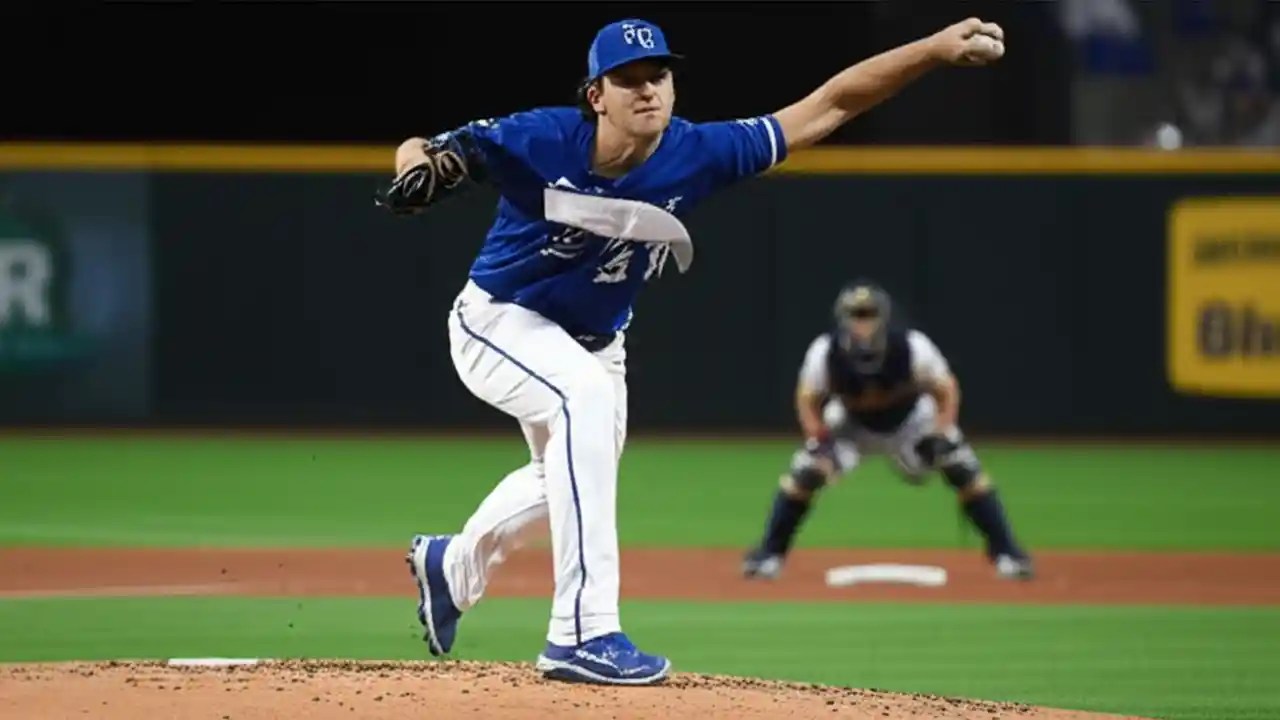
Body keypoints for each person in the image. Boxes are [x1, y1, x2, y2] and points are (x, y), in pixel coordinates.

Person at [375, 16, 1007, 687]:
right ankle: (582, 634)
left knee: (570, 468)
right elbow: (429, 149)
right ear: (596, 95)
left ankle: (454, 565)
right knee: (583, 404)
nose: (648, 89)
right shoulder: (542, 138)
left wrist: (931, 50)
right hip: (500, 321)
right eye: (628, 79)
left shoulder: (698, 151)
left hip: (596, 343)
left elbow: (832, 103)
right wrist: (419, 169)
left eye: (659, 75)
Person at [741, 280, 1035, 581]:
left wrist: (943, 431)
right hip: (851, 425)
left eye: (869, 314)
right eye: (856, 314)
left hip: (911, 422)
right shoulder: (825, 351)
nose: (862, 322)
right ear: (842, 318)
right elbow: (807, 397)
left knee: (961, 464)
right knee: (806, 470)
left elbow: (946, 389)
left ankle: (1008, 553)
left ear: (883, 316)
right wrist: (817, 437)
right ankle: (769, 556)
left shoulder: (912, 346)